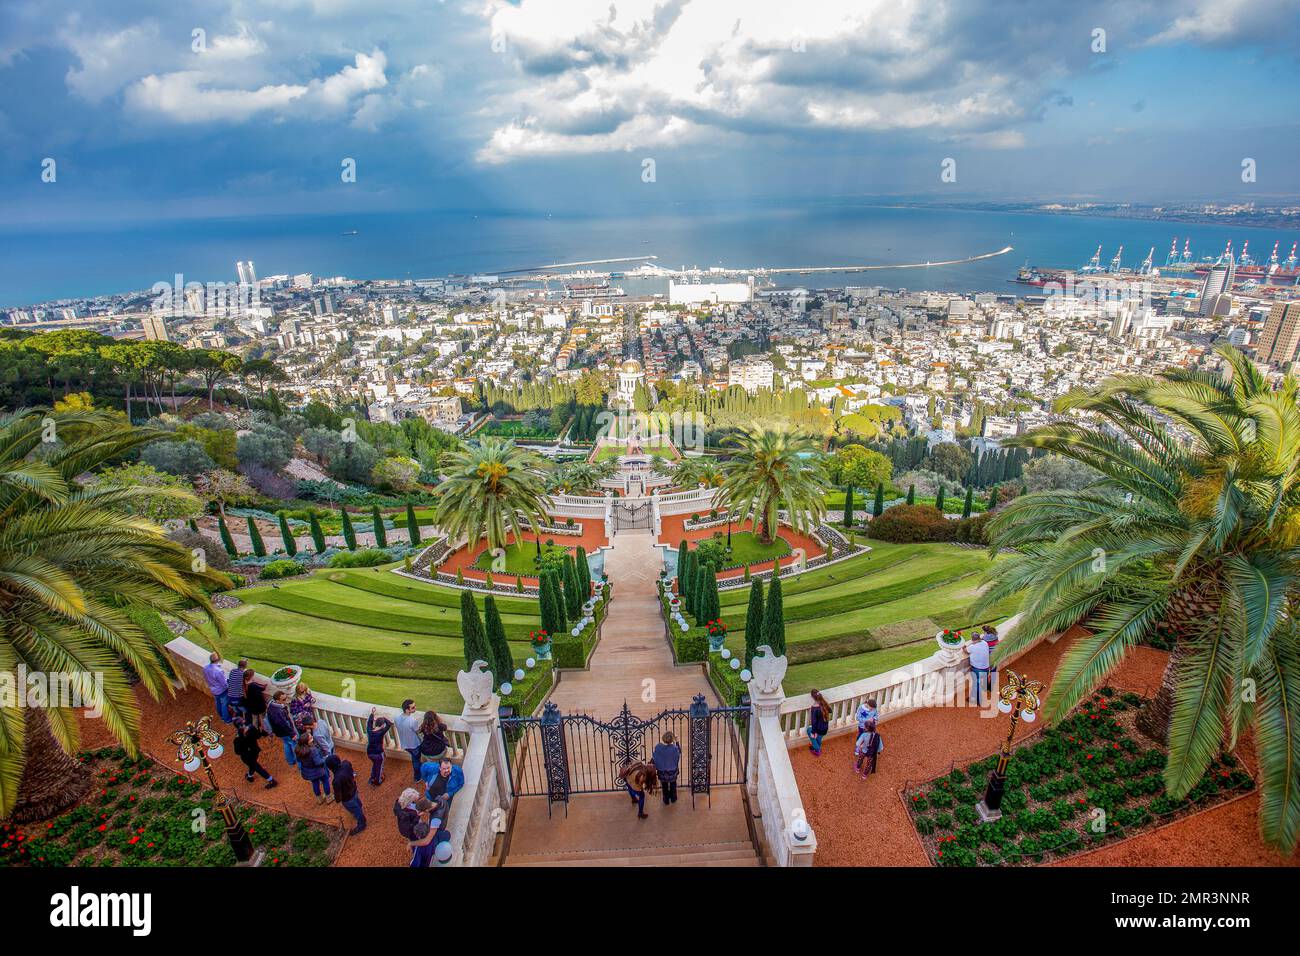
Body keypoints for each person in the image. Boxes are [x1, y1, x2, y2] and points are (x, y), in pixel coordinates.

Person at [393, 789, 450, 867]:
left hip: (426, 856)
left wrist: (411, 843)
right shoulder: (439, 798)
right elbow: (447, 834)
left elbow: (426, 841)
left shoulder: (435, 820)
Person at [231, 717, 278, 789]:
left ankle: (271, 780)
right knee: (253, 765)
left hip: (246, 756)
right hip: (255, 751)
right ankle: (250, 776)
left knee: (256, 767)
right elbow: (259, 735)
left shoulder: (237, 739)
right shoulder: (251, 728)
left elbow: (237, 752)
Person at [326, 754, 366, 835]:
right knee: (357, 800)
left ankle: (362, 824)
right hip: (354, 788)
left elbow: (338, 795)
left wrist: (337, 800)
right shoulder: (346, 763)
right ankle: (360, 808)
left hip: (347, 798)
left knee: (355, 810)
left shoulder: (336, 780)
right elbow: (350, 768)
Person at [295, 731, 332, 804]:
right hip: (318, 771)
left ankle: (319, 799)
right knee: (325, 781)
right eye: (311, 738)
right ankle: (329, 798)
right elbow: (318, 762)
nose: (312, 738)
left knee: (315, 784)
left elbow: (298, 760)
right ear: (307, 741)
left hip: (308, 771)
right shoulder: (312, 750)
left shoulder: (298, 749)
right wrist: (325, 758)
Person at [267, 690, 298, 766]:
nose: (286, 701)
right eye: (283, 699)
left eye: (286, 698)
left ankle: (290, 761)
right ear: (277, 700)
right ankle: (298, 762)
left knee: (287, 744)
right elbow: (284, 724)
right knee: (294, 745)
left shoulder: (271, 705)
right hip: (285, 732)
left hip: (279, 732)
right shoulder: (278, 711)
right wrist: (292, 734)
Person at [395, 699, 423, 780]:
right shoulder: (412, 721)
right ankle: (417, 777)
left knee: (415, 759)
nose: (415, 708)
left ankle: (419, 773)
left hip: (404, 744)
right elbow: (418, 731)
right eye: (413, 707)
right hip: (414, 745)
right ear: (407, 710)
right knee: (416, 761)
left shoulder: (396, 718)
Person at [366, 707, 394, 786]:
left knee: (375, 765)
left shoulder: (370, 730)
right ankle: (378, 780)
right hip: (378, 753)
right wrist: (384, 718)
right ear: (382, 725)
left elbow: (369, 722)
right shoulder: (381, 732)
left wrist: (372, 713)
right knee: (379, 767)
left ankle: (372, 778)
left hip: (369, 752)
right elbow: (389, 724)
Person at [652, 731, 682, 804]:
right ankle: (673, 798)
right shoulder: (674, 748)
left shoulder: (658, 747)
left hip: (662, 771)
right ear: (672, 739)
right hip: (672, 770)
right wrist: (677, 741)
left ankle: (666, 800)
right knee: (673, 784)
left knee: (664, 785)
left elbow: (655, 757)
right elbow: (679, 751)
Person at [202, 653, 230, 723]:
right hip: (221, 691)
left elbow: (205, 677)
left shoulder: (205, 668)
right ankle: (226, 719)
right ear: (218, 659)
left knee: (218, 702)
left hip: (213, 689)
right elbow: (224, 684)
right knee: (224, 704)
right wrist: (229, 688)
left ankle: (221, 715)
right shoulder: (218, 671)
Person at [966, 632, 992, 706]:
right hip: (986, 667)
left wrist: (964, 647)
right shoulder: (984, 643)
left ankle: (977, 700)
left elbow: (965, 650)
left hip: (978, 669)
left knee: (976, 684)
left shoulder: (972, 647)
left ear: (972, 639)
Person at [243, 669, 269, 735]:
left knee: (255, 719)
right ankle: (264, 731)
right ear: (251, 676)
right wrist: (265, 684)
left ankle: (255, 731)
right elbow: (263, 688)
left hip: (251, 705)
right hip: (259, 705)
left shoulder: (244, 683)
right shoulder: (252, 684)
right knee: (262, 718)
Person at [808, 689, 831, 756]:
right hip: (825, 728)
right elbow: (830, 711)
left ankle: (817, 750)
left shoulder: (814, 708)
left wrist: (813, 732)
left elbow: (814, 722)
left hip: (819, 729)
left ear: (812, 697)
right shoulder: (823, 703)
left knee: (808, 730)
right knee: (818, 738)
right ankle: (815, 748)